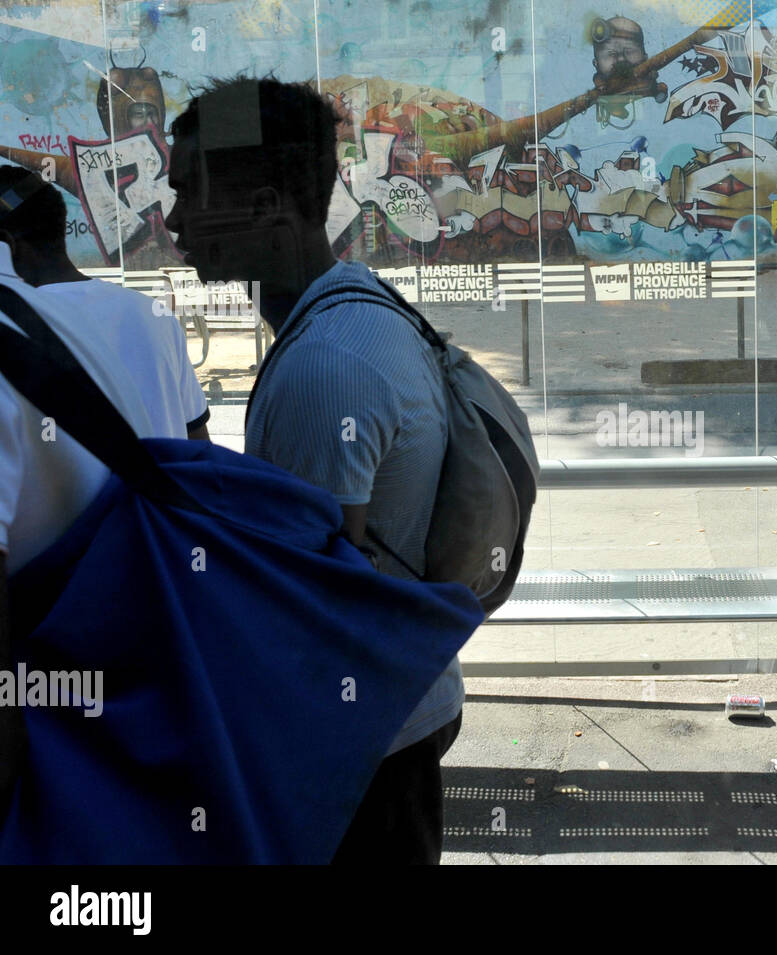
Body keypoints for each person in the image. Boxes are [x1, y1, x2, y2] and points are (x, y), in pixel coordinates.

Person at [163, 75, 464, 864]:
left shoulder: (323, 368)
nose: (170, 222)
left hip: (358, 750)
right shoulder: (356, 304)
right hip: (398, 713)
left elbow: (307, 614)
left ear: (265, 206)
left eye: (185, 196)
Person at [0, 167, 208, 810]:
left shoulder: (15, 331)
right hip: (159, 608)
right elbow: (198, 458)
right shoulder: (148, 315)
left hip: (52, 637)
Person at [0, 166, 210, 442]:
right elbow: (199, 444)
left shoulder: (11, 330)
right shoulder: (154, 316)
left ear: (7, 246)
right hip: (166, 483)